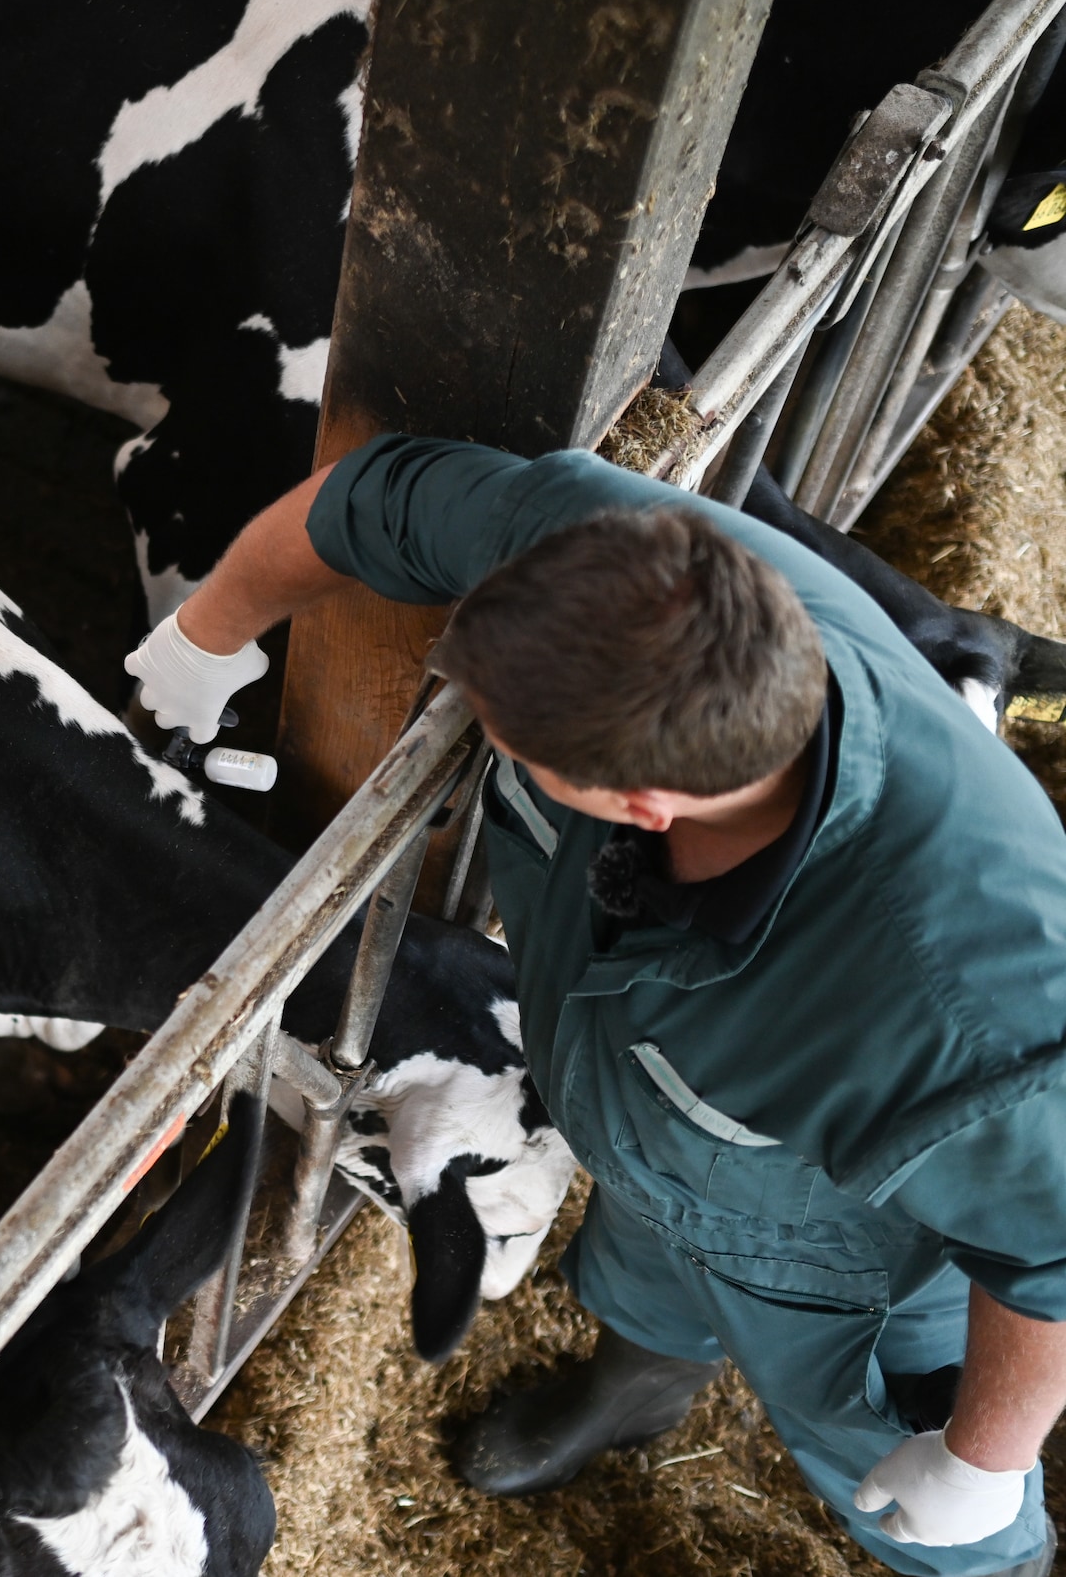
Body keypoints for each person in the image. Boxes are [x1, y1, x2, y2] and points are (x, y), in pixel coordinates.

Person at [125, 434, 1066, 1577]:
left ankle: (988, 1563)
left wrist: (980, 1460)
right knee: (642, 1265)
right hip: (659, 1124)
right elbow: (362, 501)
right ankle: (635, 1387)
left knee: (884, 1446)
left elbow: (1051, 1244)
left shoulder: (962, 999)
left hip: (834, 1243)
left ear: (636, 804)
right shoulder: (614, 559)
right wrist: (205, 631)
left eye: (514, 748)